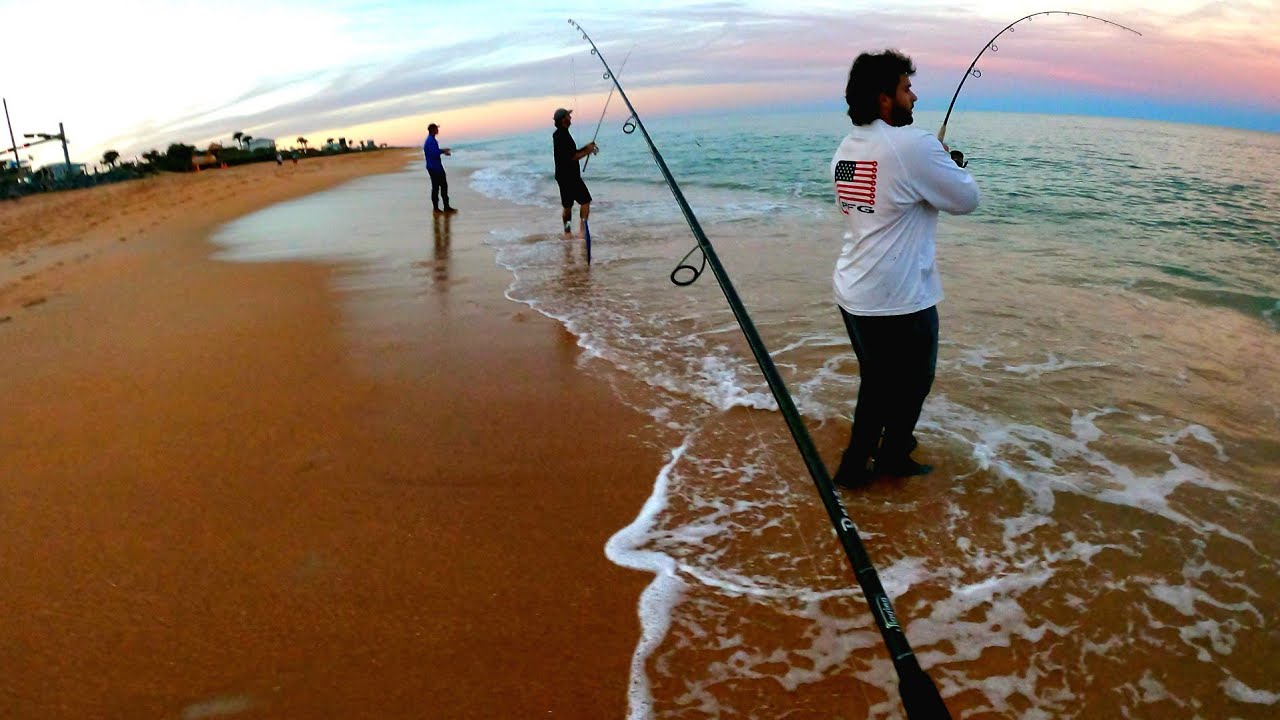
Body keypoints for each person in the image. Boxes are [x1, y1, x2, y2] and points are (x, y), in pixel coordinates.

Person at [828, 50, 980, 489]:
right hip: (897, 297)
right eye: (906, 88)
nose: (914, 96)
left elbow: (881, 203)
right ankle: (871, 461)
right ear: (884, 100)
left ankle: (875, 454)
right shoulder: (913, 145)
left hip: (854, 290)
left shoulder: (846, 149)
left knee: (877, 381)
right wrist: (949, 165)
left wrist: (932, 173)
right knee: (912, 382)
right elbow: (967, 200)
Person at [552, 108, 597, 237]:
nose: (571, 118)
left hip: (562, 176)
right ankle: (583, 231)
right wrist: (588, 151)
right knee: (585, 201)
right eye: (568, 116)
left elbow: (572, 152)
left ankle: (567, 233)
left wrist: (586, 148)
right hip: (570, 176)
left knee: (567, 206)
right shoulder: (563, 136)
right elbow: (573, 156)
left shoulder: (559, 134)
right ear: (563, 119)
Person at [424, 123, 455, 215]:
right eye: (436, 128)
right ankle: (441, 208)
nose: (438, 130)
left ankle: (442, 207)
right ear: (433, 130)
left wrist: (442, 151)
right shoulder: (431, 141)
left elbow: (434, 152)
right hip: (435, 167)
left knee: (438, 187)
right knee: (440, 187)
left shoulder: (430, 140)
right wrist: (444, 151)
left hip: (433, 166)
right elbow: (435, 153)